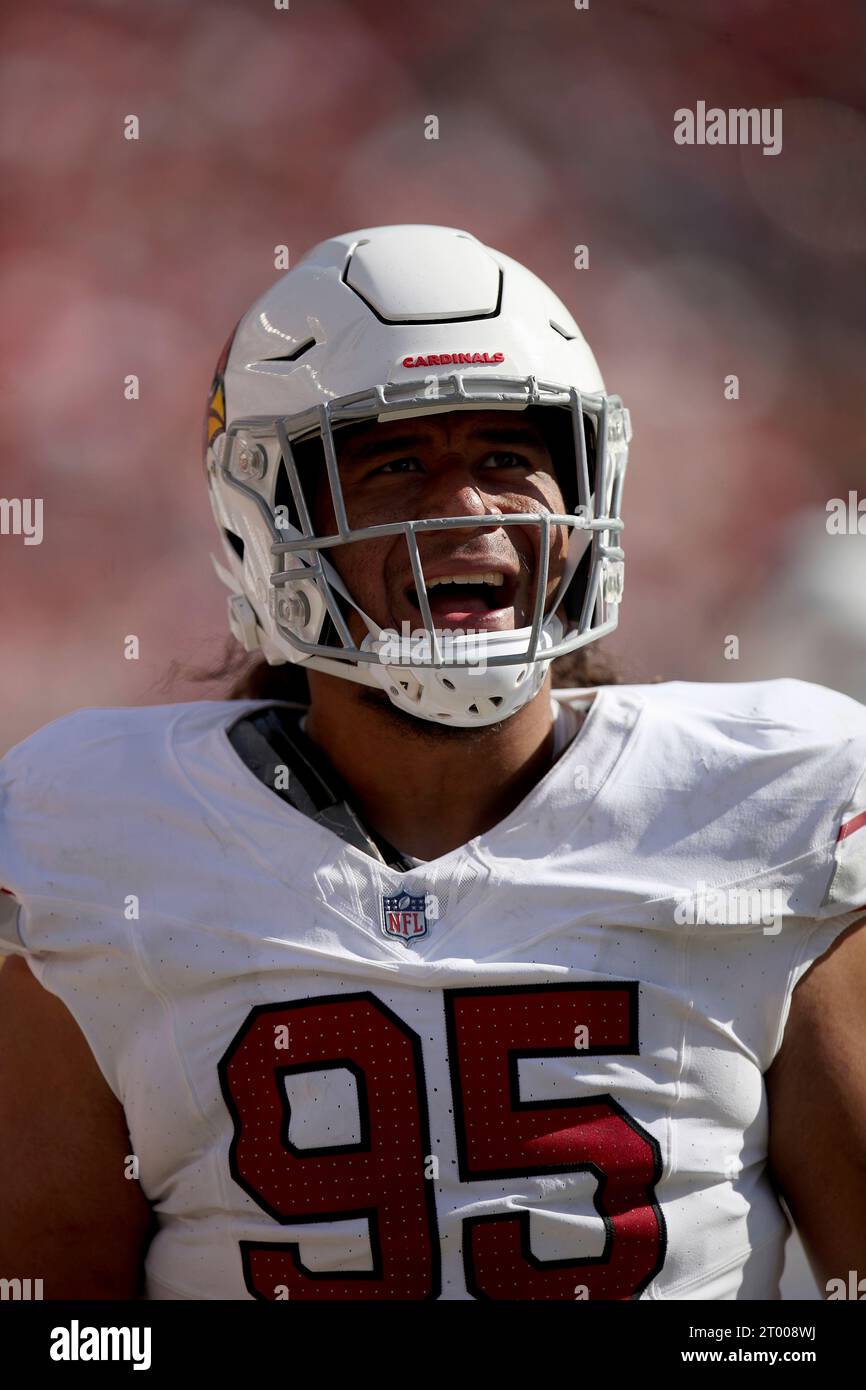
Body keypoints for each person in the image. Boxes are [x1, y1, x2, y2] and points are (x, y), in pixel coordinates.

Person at [1, 224, 864, 1301]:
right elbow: (58, 1315)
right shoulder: (101, 837)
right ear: (263, 525)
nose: (465, 511)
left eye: (507, 459)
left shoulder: (763, 800)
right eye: (395, 465)